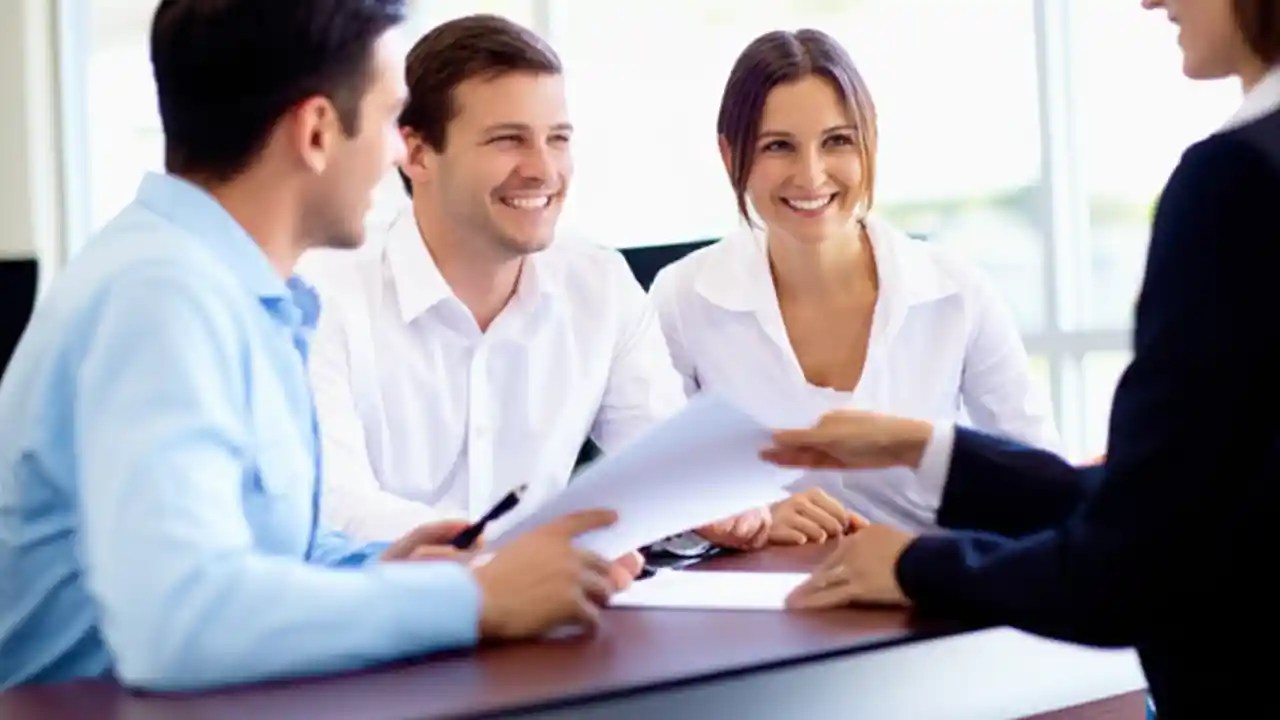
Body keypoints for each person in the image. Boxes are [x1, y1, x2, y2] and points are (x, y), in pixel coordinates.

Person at [0, 0, 631, 692]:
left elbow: (260, 550)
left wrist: (379, 564)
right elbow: (178, 623)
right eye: (392, 119)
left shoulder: (240, 291)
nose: (401, 152)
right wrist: (475, 600)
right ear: (317, 131)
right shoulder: (163, 299)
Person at [763, 0, 1280, 714]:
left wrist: (917, 564)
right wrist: (926, 447)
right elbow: (1195, 502)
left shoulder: (1235, 181)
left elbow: (1131, 561)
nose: (1151, 0)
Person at [301, 14, 770, 552]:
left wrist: (717, 505)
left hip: (549, 617)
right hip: (386, 620)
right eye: (508, 140)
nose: (543, 170)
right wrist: (527, 558)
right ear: (416, 153)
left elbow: (663, 470)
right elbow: (335, 509)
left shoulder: (598, 283)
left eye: (558, 139)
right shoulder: (323, 294)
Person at [649, 28, 1059, 544]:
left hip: (925, 587)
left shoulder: (958, 293)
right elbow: (651, 492)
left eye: (837, 141)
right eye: (779, 146)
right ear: (731, 157)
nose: (811, 175)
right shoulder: (683, 297)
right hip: (759, 603)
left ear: (870, 144)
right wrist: (751, 516)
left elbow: (1040, 484)